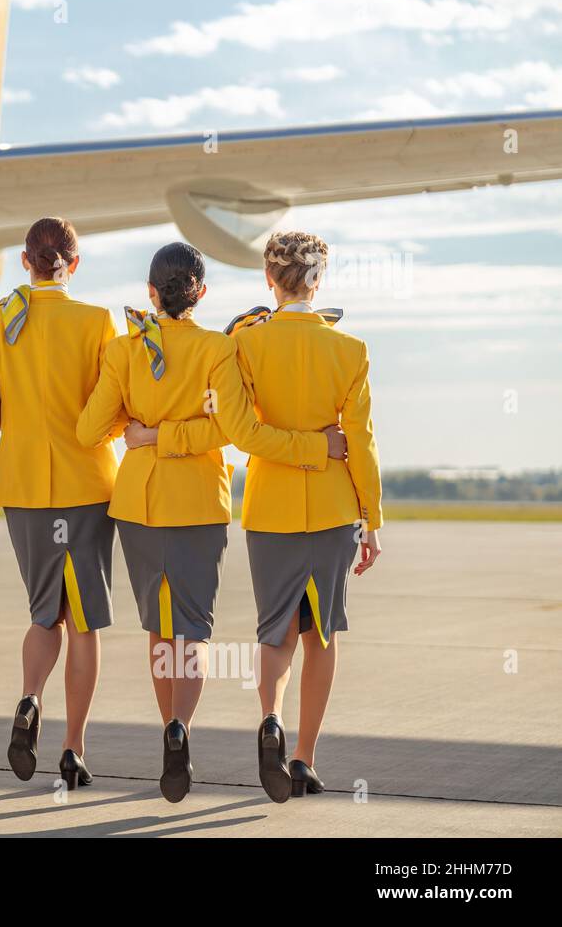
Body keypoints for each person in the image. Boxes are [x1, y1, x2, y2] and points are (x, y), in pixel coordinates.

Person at [76, 241, 346, 802]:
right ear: (202, 294)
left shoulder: (126, 351)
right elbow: (229, 430)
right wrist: (182, 432)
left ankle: (174, 730)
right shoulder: (218, 350)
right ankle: (185, 724)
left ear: (151, 292)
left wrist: (144, 430)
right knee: (194, 628)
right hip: (199, 502)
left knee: (159, 628)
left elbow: (88, 432)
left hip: (139, 504)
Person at [154, 231, 382, 801]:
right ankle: (303, 756)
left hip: (269, 510)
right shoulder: (350, 350)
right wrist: (371, 519)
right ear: (318, 280)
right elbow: (362, 442)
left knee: (275, 631)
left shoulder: (243, 345)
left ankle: (271, 719)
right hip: (332, 510)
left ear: (269, 280)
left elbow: (241, 433)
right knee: (322, 636)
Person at [0, 217, 118, 792]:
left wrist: (19, 412)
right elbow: (110, 408)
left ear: (25, 262)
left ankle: (30, 698)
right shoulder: (98, 321)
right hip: (85, 486)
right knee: (84, 623)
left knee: (42, 613)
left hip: (26, 487)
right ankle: (73, 748)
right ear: (72, 264)